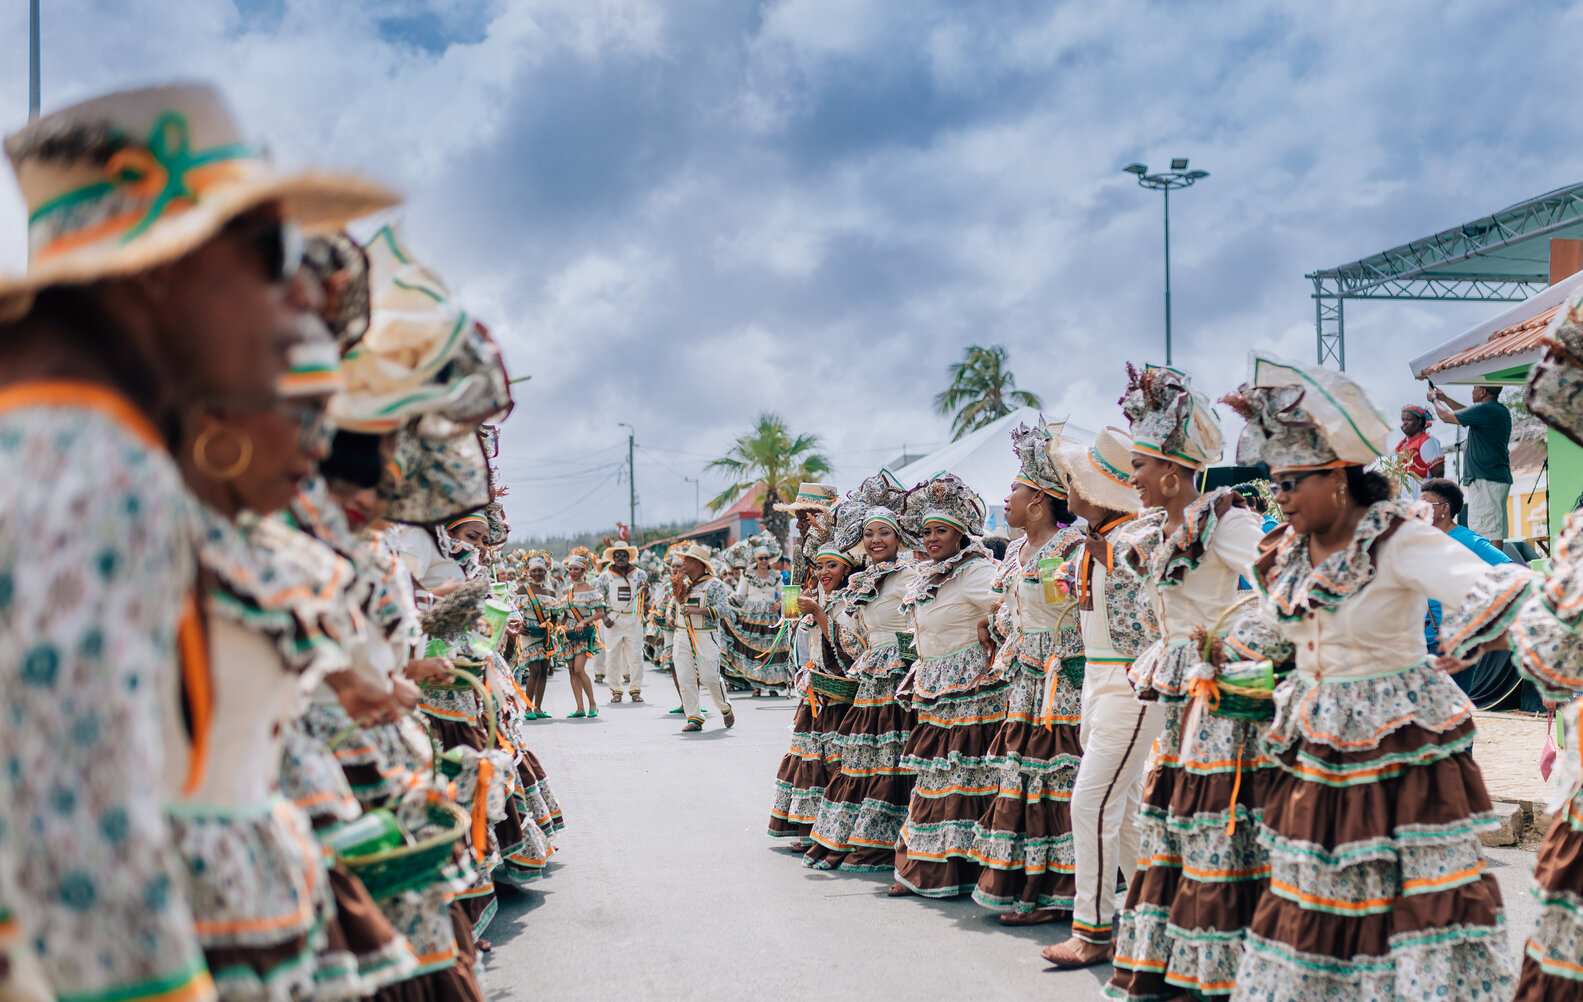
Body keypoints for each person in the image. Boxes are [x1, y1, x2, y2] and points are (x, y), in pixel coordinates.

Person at [0, 82, 396, 1002]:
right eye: (272, 251)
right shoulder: (96, 460)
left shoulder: (45, 434)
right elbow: (77, 834)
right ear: (154, 271)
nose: (300, 291)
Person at [1224, 351, 1526, 1000]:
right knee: (1317, 902)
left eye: (1291, 482)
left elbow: (1493, 587)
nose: (1279, 497)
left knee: (1405, 908)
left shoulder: (1392, 537)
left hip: (1398, 751)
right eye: (1273, 484)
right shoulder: (1288, 550)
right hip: (1314, 746)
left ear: (1337, 476)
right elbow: (1268, 634)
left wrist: (1466, 642)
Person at [1104, 364, 1269, 997]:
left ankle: (1222, 968)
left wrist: (1225, 642)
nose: (1133, 478)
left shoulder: (1226, 522)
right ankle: (1182, 963)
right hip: (1177, 694)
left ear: (1172, 470)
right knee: (1173, 816)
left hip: (1217, 694)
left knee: (1212, 819)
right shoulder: (1159, 530)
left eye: (1140, 466)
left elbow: (1275, 589)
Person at [1039, 428, 1159, 967]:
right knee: (1127, 811)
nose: (1068, 487)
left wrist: (1104, 559)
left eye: (1075, 479)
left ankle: (1093, 930)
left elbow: (1153, 620)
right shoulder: (1099, 539)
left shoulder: (1134, 539)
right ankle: (1159, 915)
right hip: (1100, 683)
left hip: (1132, 685)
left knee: (1090, 803)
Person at [969, 420, 1085, 925]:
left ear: (1039, 501)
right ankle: (1028, 886)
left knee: (1054, 778)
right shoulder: (1015, 552)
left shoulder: (1072, 548)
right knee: (1022, 778)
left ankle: (1058, 891)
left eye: (1014, 490)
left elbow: (1083, 613)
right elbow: (1015, 608)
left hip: (1060, 678)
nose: (1007, 499)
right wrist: (991, 623)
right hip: (1023, 681)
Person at [889, 472, 1005, 899]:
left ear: (961, 534)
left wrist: (987, 623)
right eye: (927, 531)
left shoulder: (973, 571)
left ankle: (955, 868)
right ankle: (930, 864)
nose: (932, 537)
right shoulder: (928, 573)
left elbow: (1010, 604)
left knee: (961, 778)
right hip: (935, 685)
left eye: (941, 530)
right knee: (939, 778)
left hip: (971, 690)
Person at [804, 473, 921, 871]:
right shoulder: (860, 581)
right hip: (872, 679)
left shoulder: (914, 575)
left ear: (899, 536)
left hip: (904, 679)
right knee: (862, 760)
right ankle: (857, 839)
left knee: (896, 760)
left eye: (884, 533)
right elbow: (853, 642)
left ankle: (895, 845)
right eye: (869, 533)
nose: (876, 541)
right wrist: (820, 617)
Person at [768, 541, 859, 842]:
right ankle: (810, 829)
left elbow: (852, 648)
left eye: (831, 565)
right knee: (809, 761)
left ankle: (835, 832)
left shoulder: (852, 600)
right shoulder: (816, 596)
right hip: (815, 692)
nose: (823, 572)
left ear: (847, 568)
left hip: (841, 695)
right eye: (819, 566)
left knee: (834, 763)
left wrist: (819, 612)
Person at [1430, 383, 1513, 541]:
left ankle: (1492, 566)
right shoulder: (1495, 410)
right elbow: (1465, 413)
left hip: (1485, 479)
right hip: (1493, 478)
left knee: (1487, 532)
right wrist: (1445, 398)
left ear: (1482, 392)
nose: (1472, 391)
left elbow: (1447, 417)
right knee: (1493, 528)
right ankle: (1494, 565)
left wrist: (1434, 400)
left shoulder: (1486, 410)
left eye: (1475, 387)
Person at [673, 544, 738, 731]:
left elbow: (724, 609)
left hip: (705, 635)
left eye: (686, 560)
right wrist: (670, 615)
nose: (682, 564)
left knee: (710, 677)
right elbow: (672, 604)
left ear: (697, 563)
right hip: (683, 634)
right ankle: (694, 717)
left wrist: (698, 611)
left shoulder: (714, 584)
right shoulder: (682, 584)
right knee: (685, 677)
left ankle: (725, 707)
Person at [597, 544, 649, 702]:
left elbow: (646, 597)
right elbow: (598, 599)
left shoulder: (640, 574)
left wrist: (645, 592)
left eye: (624, 555)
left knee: (636, 656)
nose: (620, 557)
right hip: (613, 620)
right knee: (612, 656)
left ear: (629, 557)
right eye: (617, 555)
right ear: (612, 558)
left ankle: (635, 690)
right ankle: (616, 691)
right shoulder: (605, 576)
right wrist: (604, 618)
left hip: (634, 620)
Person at [561, 553, 605, 718]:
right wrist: (560, 627)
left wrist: (584, 622)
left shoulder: (591, 590)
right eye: (570, 569)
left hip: (583, 632)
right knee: (571, 670)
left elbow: (600, 613)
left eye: (577, 569)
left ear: (584, 570)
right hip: (569, 632)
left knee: (579, 669)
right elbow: (565, 613)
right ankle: (580, 707)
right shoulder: (567, 591)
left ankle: (592, 704)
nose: (573, 572)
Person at [1396, 403, 1445, 496]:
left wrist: (1435, 495)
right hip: (1404, 493)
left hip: (1419, 490)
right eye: (1403, 420)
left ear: (1419, 421)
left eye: (1408, 419)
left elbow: (1438, 471)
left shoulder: (1427, 441)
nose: (1404, 422)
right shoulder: (1402, 444)